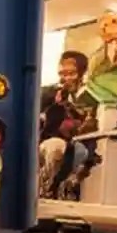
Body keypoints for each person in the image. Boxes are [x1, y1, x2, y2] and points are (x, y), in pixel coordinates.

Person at [38, 50, 98, 199]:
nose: (66, 79)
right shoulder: (49, 94)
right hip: (48, 143)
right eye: (62, 74)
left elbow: (89, 131)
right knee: (53, 146)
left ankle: (54, 187)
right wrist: (53, 105)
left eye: (71, 74)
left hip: (77, 147)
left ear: (82, 74)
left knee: (67, 149)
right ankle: (45, 187)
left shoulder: (89, 98)